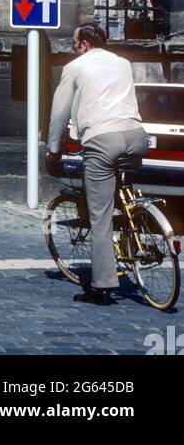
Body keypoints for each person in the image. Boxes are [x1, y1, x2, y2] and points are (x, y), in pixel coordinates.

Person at [46, 22, 149, 305]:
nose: (71, 47)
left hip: (103, 140)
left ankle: (102, 286)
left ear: (84, 45)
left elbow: (59, 113)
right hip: (137, 138)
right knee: (119, 185)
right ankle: (133, 224)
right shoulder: (124, 63)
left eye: (73, 42)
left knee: (100, 215)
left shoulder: (75, 68)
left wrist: (53, 150)